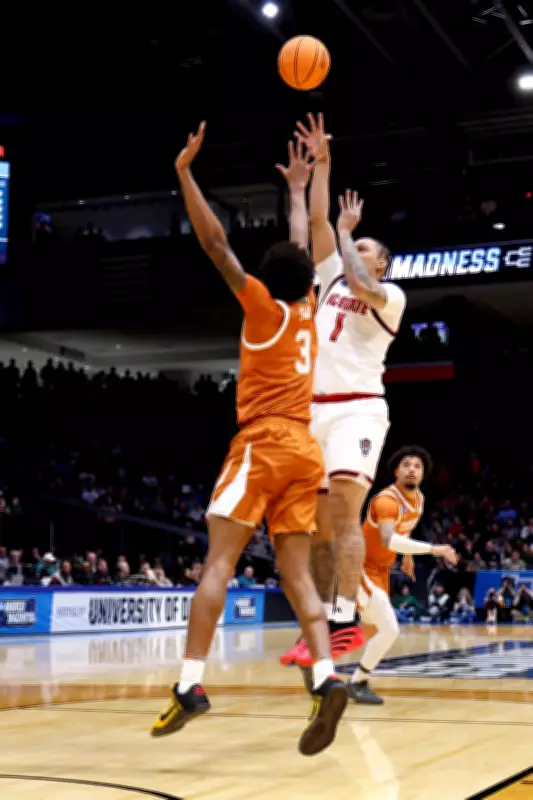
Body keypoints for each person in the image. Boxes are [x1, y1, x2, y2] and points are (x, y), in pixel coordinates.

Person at [151, 123, 349, 756]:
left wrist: (185, 173)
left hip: (262, 443)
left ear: (265, 280)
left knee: (219, 563)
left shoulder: (263, 306)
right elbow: (302, 240)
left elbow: (215, 244)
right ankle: (324, 676)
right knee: (298, 578)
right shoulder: (309, 308)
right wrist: (302, 182)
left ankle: (190, 684)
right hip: (305, 450)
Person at [281, 113, 407, 667]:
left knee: (348, 516)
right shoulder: (331, 277)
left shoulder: (390, 296)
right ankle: (322, 626)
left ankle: (344, 622)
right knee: (318, 535)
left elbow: (357, 275)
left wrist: (352, 231)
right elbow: (315, 222)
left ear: (382, 263)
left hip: (358, 411)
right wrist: (317, 171)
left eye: (371, 249)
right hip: (314, 411)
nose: (360, 252)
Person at [347, 446, 457, 704]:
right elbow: (387, 538)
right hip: (360, 565)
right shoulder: (386, 500)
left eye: (417, 466)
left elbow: (402, 531)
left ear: (423, 475)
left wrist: (406, 554)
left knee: (373, 630)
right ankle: (357, 681)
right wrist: (433, 549)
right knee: (390, 629)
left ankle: (316, 658)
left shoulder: (418, 499)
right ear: (396, 471)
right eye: (406, 465)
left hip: (381, 570)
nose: (412, 469)